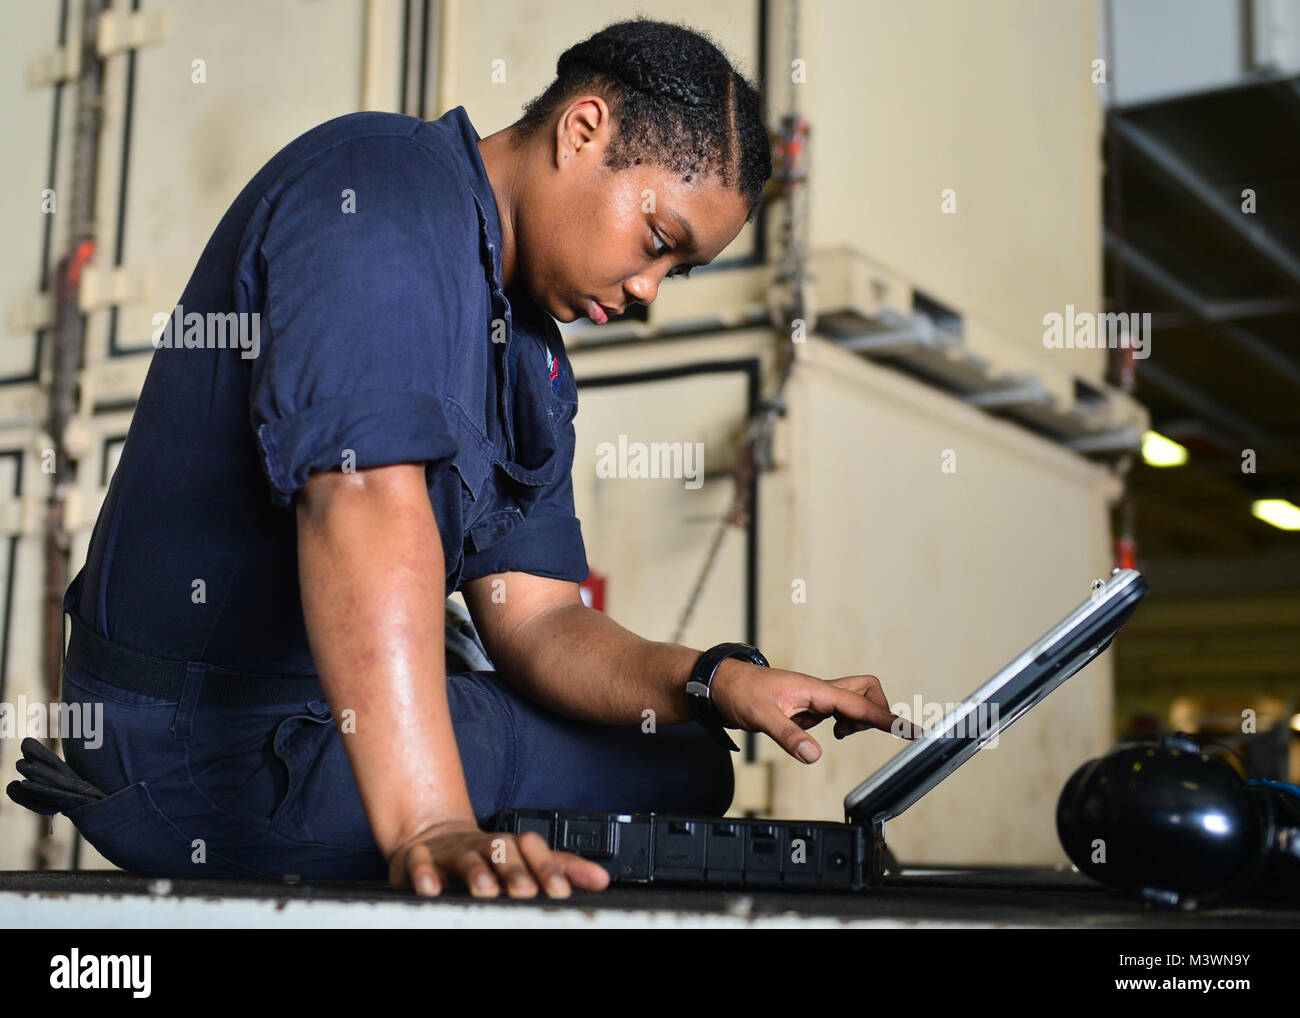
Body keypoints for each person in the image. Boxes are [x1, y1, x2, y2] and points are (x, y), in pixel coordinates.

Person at [55, 16, 907, 900]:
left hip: (307, 727)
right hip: (200, 739)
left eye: (677, 272)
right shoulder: (379, 189)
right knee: (656, 776)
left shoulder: (528, 351)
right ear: (583, 132)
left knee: (686, 760)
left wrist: (715, 681)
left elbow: (538, 624)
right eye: (658, 240)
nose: (650, 290)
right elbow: (362, 498)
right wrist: (435, 825)